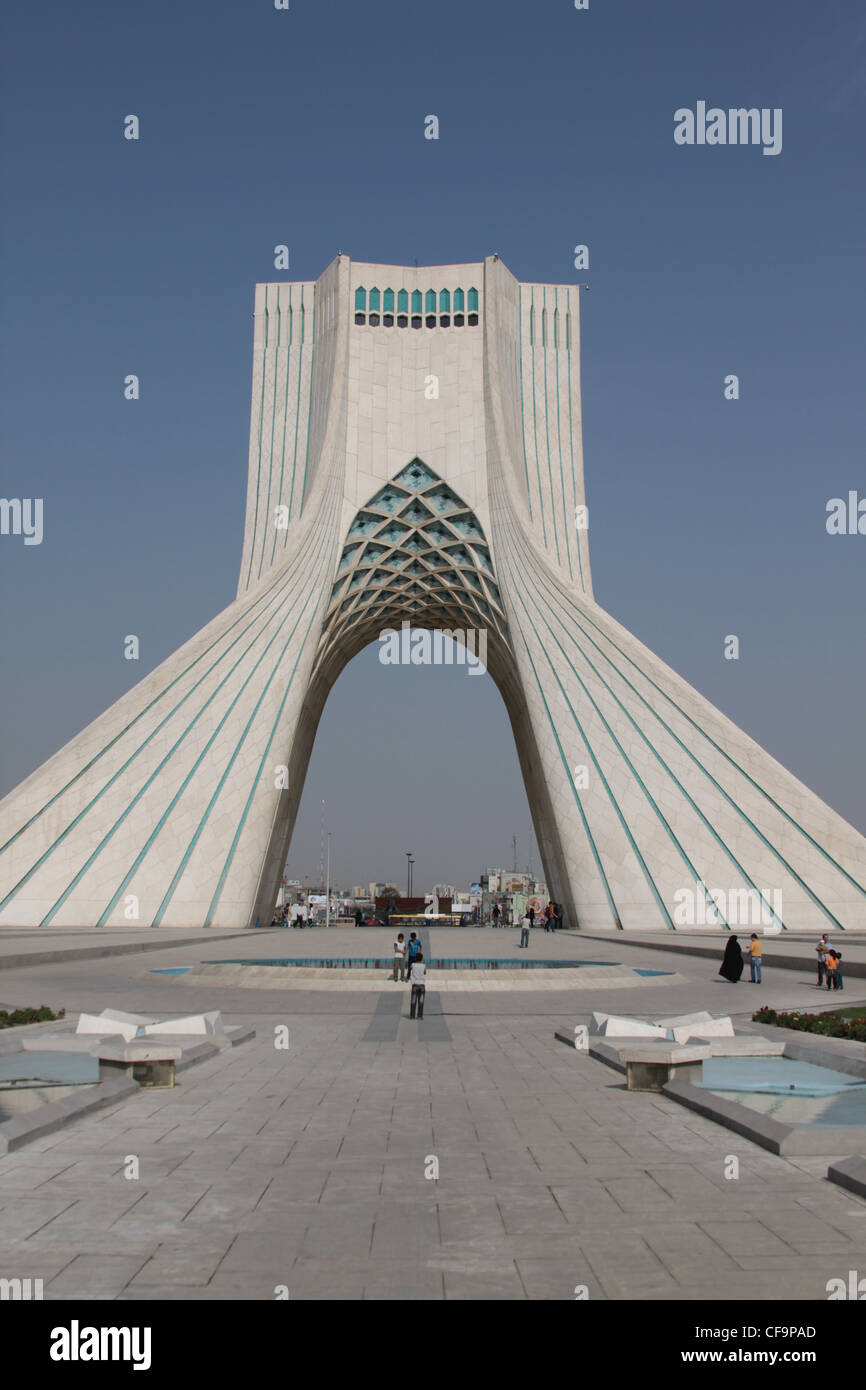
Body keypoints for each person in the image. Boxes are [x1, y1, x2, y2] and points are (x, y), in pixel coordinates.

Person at [409, 952, 427, 1018]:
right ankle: (420, 1016)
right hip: (422, 984)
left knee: (413, 1001)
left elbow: (410, 969)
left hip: (415, 984)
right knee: (421, 1001)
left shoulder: (413, 964)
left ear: (415, 958)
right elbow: (425, 972)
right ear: (422, 959)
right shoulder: (424, 965)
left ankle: (412, 1015)